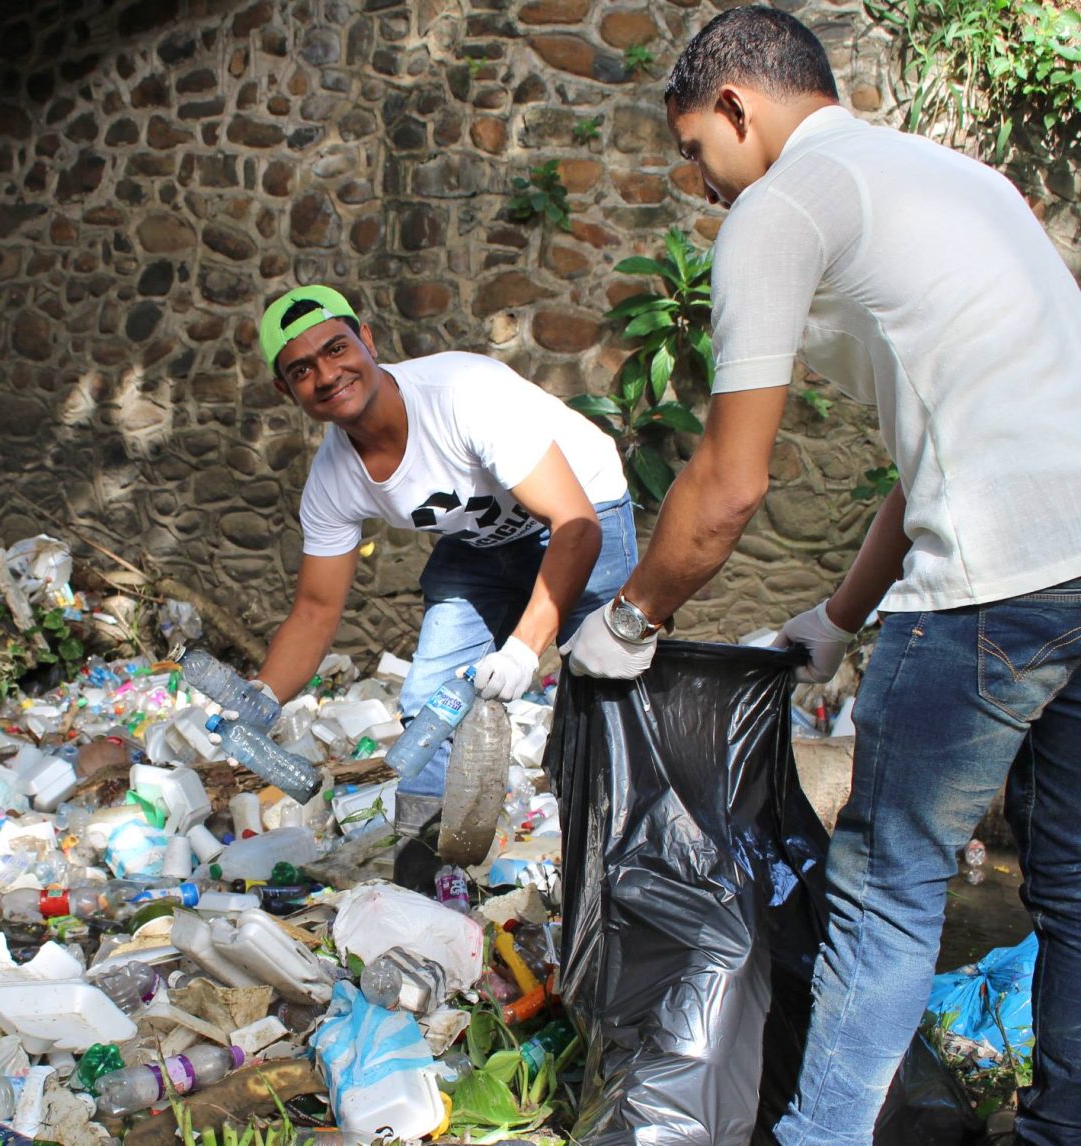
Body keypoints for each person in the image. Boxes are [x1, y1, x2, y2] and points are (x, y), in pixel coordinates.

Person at [561, 7, 1081, 1145]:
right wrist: (838, 617)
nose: (701, 184)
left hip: (993, 592)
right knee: (1078, 886)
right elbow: (950, 457)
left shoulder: (783, 204)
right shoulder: (963, 185)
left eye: (696, 149)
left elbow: (728, 482)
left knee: (886, 889)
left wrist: (632, 618)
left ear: (737, 106)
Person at [251, 284, 632, 860]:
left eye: (336, 349)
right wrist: (260, 698)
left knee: (604, 686)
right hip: (478, 539)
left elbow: (574, 524)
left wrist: (523, 651)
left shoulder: (461, 393)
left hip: (582, 507)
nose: (327, 375)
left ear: (367, 340)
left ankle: (622, 852)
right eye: (302, 370)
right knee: (432, 699)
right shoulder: (332, 480)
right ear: (286, 389)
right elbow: (314, 612)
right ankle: (432, 861)